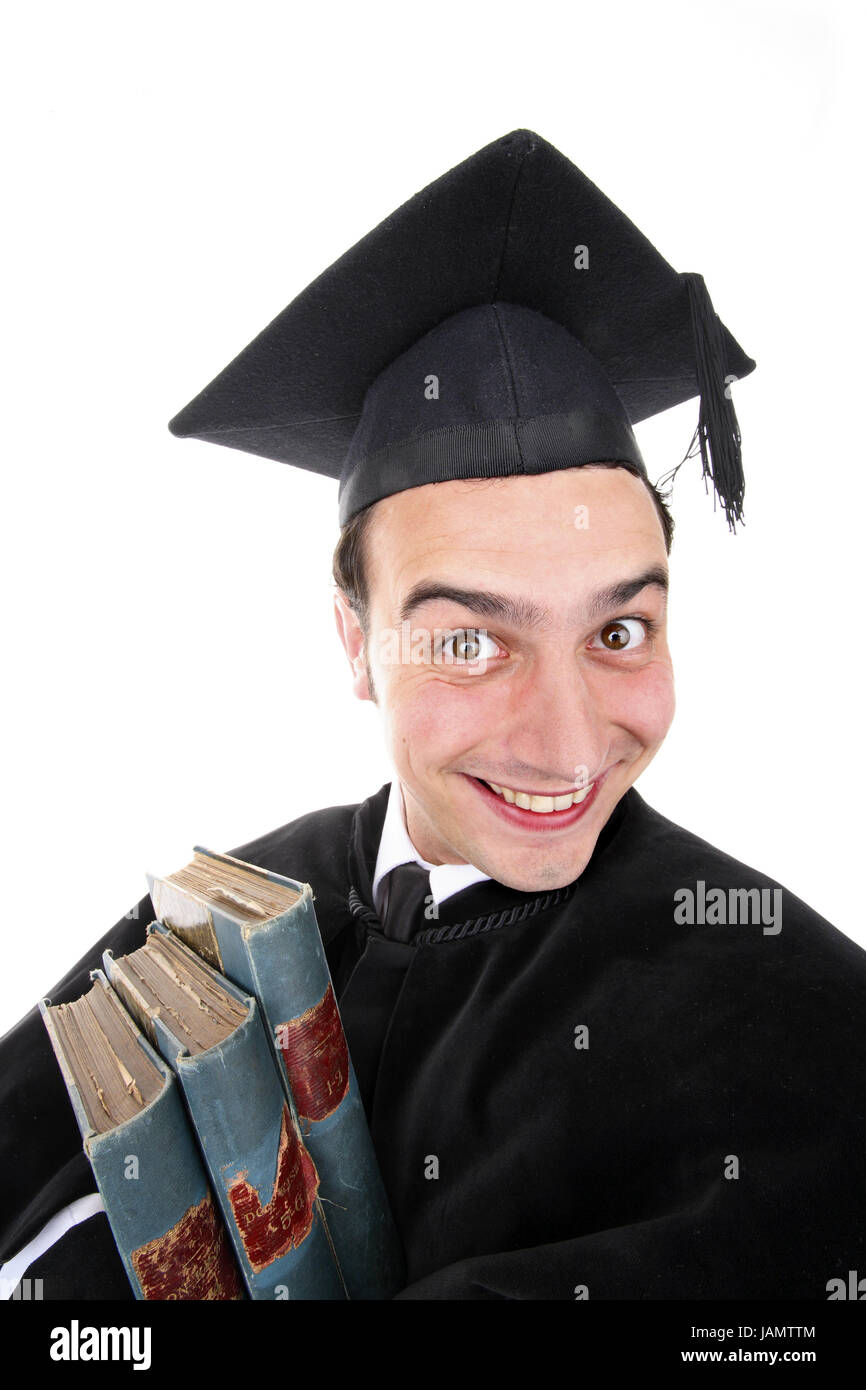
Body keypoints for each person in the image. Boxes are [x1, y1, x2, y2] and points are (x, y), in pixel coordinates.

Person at [2, 129, 864, 1302]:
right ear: (355, 640)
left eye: (619, 631)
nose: (566, 744)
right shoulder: (239, 909)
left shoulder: (794, 1025)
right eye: (470, 638)